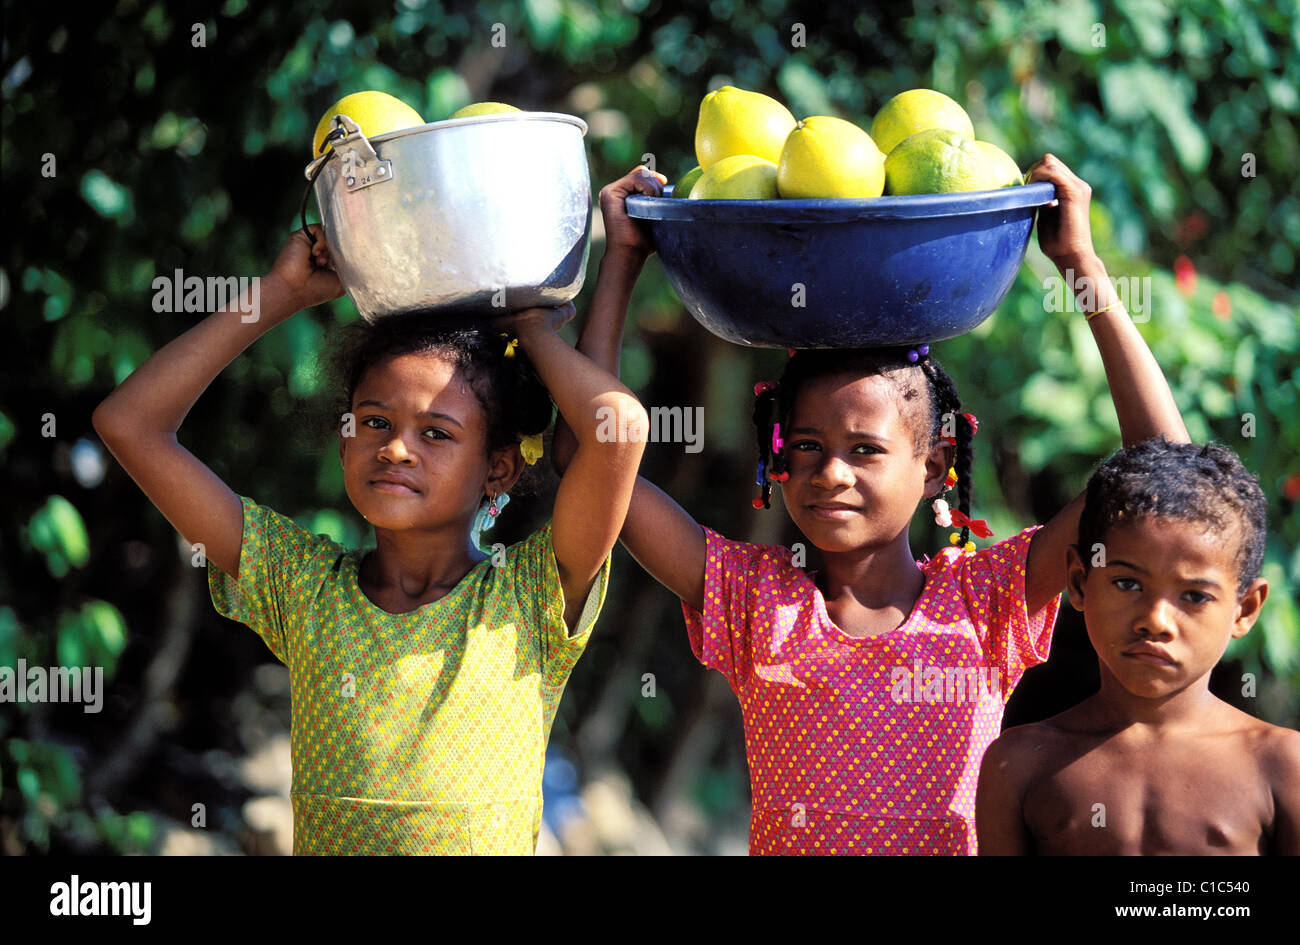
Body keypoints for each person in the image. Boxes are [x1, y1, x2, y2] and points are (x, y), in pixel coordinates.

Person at [557, 155, 1190, 854]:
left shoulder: (987, 602)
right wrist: (620, 257)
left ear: (934, 465)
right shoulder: (752, 600)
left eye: (865, 449)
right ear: (777, 461)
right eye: (805, 446)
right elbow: (590, 455)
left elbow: (1166, 463)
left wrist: (1081, 263)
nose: (830, 472)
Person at [91, 224, 648, 854]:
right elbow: (129, 423)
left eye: (437, 433)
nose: (397, 449)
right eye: (375, 421)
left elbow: (617, 429)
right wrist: (278, 294)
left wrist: (534, 331)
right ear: (344, 437)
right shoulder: (301, 586)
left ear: (498, 467)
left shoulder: (531, 597)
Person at [976, 437, 1300, 854]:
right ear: (1078, 582)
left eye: (1194, 596)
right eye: (1127, 583)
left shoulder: (1280, 765)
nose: (1155, 620)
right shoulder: (1018, 763)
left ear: (1245, 609)